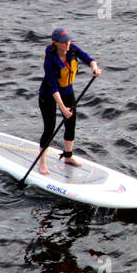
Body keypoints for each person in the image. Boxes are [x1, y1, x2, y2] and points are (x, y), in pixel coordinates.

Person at [37, 28, 100, 175]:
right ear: (55, 43)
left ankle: (68, 156)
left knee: (71, 124)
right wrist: (63, 107)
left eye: (68, 41)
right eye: (64, 42)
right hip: (49, 96)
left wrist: (95, 68)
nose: (67, 44)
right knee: (49, 129)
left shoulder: (72, 49)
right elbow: (53, 87)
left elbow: (88, 59)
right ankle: (42, 163)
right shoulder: (50, 60)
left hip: (67, 93)